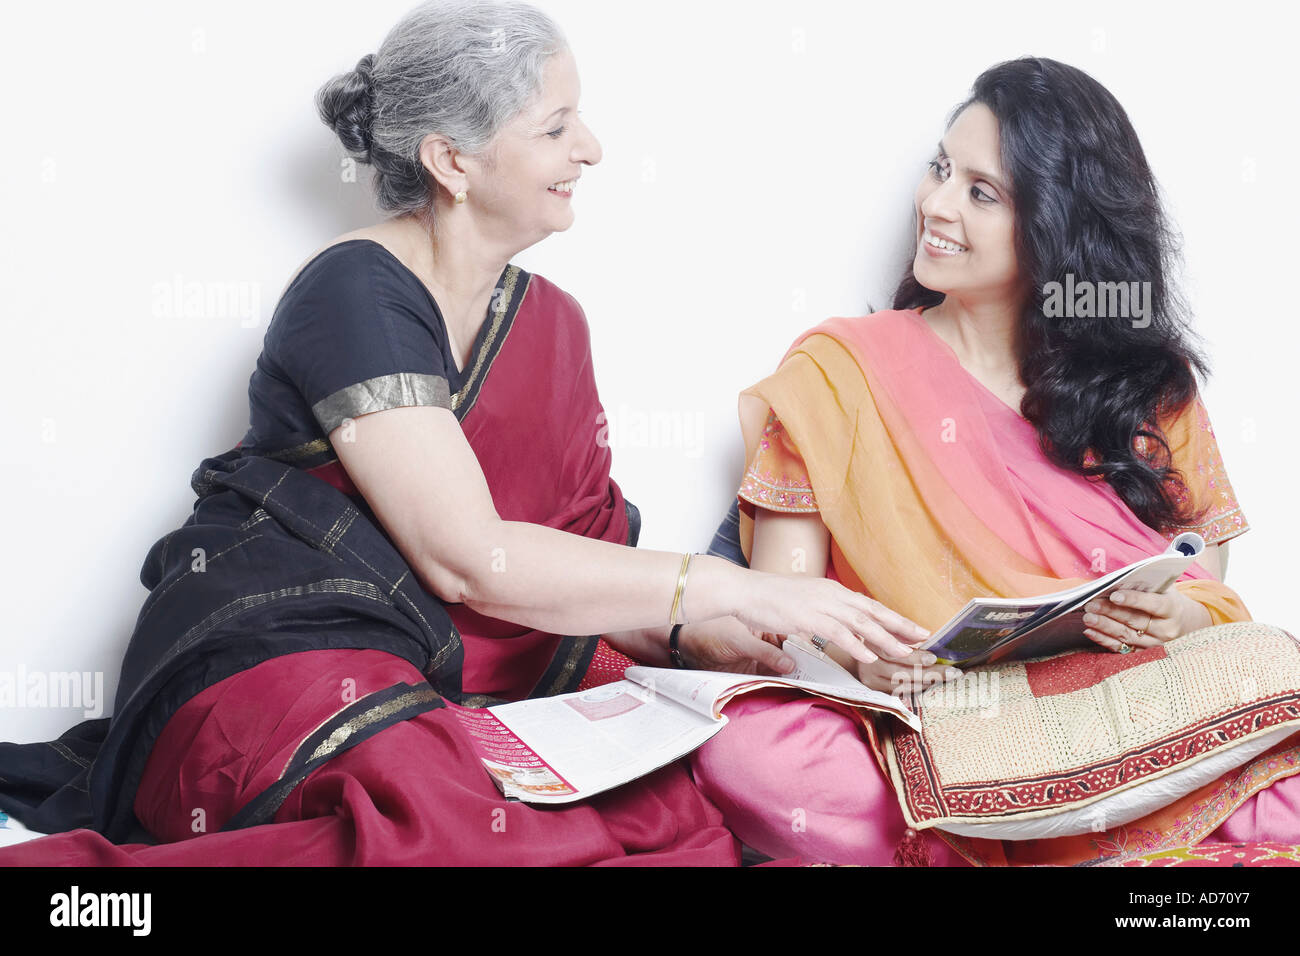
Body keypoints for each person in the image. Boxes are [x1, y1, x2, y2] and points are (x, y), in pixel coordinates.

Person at [0, 0, 926, 866]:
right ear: (452, 162)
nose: (592, 149)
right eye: (556, 128)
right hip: (279, 643)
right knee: (434, 830)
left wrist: (711, 638)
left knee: (674, 826)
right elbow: (470, 562)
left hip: (434, 670)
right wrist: (729, 587)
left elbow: (580, 557)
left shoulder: (554, 322)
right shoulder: (352, 290)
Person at [688, 56, 1300, 866]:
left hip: (1124, 705)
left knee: (1276, 675)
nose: (935, 206)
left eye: (981, 192)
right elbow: (784, 608)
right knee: (754, 750)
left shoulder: (1146, 384)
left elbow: (1201, 580)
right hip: (938, 720)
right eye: (941, 170)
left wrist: (1174, 614)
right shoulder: (842, 372)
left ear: (1057, 227)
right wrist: (860, 656)